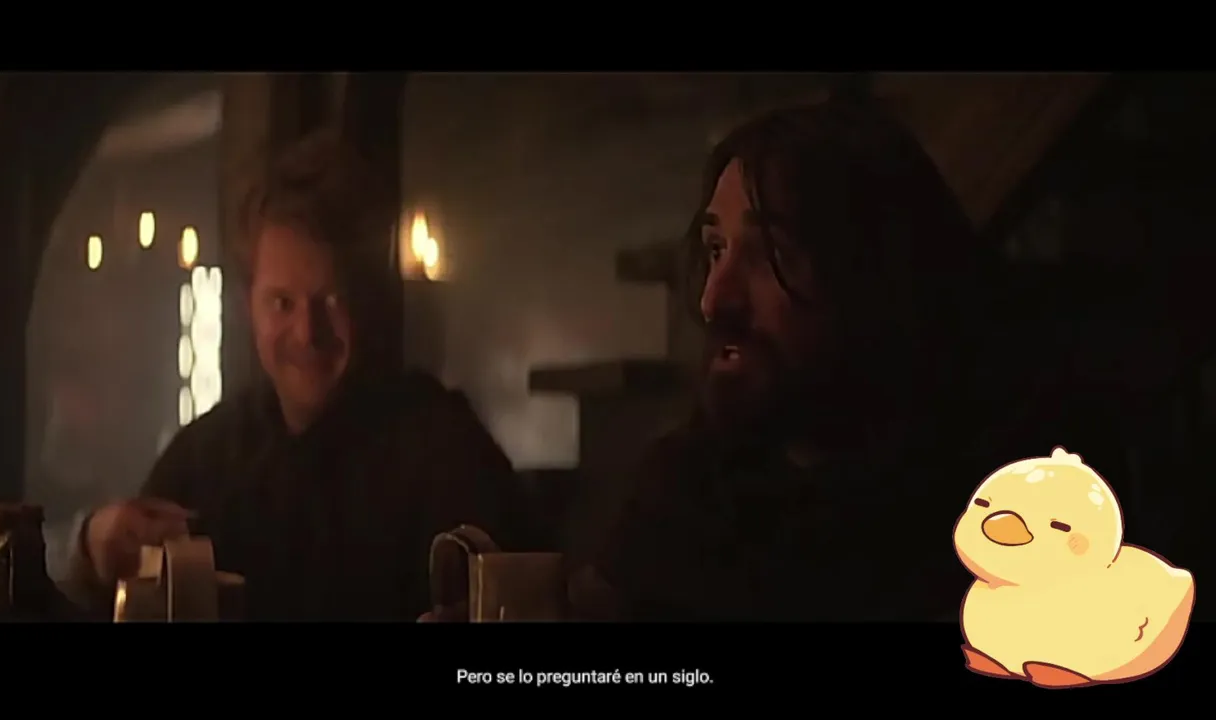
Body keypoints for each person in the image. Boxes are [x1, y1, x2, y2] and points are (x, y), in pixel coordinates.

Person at [569, 95, 1054, 621]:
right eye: (715, 250)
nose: (714, 300)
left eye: (771, 253)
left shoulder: (1008, 525)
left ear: (876, 277)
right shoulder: (686, 492)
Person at [65, 130, 531, 621]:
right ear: (249, 307)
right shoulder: (207, 457)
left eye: (331, 300)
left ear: (369, 300)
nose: (308, 333)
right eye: (282, 303)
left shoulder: (447, 452)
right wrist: (94, 549)